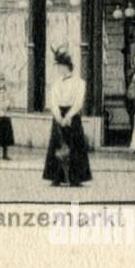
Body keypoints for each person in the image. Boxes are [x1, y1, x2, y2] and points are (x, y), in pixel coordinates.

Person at [42, 46, 91, 187]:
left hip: (72, 115)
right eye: (58, 66)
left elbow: (78, 102)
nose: (59, 69)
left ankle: (76, 178)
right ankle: (56, 177)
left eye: (60, 66)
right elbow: (53, 101)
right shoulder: (56, 83)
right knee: (57, 144)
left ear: (67, 66)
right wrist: (58, 117)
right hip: (59, 114)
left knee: (75, 145)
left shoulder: (79, 83)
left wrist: (68, 116)